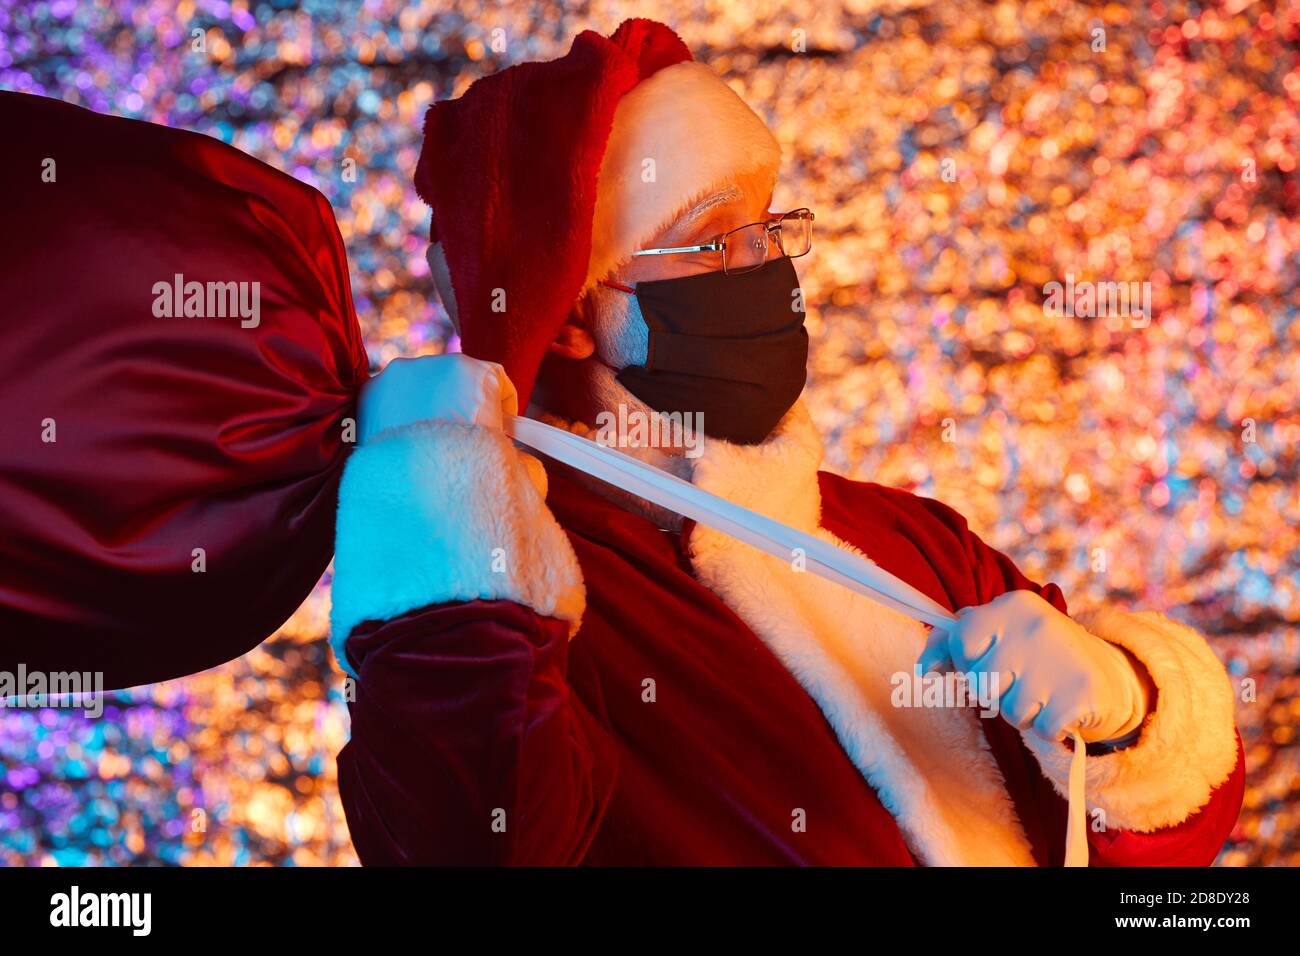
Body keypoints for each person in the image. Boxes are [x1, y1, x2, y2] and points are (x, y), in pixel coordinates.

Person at [328, 18, 1243, 865]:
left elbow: (1161, 854)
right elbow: (468, 840)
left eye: (768, 229)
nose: (766, 269)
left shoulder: (913, 543)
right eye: (716, 245)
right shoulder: (538, 616)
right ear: (571, 314)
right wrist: (440, 527)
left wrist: (1127, 718)